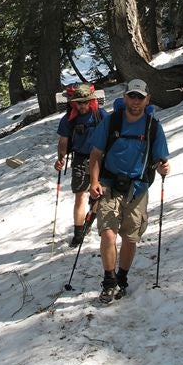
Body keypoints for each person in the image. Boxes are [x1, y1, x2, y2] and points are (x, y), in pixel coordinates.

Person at [89, 79, 170, 304]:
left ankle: (121, 279)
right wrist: (94, 181)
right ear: (125, 97)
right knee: (108, 233)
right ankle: (109, 282)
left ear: (147, 100)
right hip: (109, 184)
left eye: (140, 97)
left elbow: (161, 159)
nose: (135, 101)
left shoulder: (153, 127)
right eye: (132, 96)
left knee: (130, 237)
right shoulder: (111, 122)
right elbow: (95, 154)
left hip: (138, 188)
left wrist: (164, 168)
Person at [55, 84, 106, 247]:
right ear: (74, 103)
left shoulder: (100, 115)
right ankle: (79, 233)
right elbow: (63, 141)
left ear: (91, 101)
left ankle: (87, 224)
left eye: (85, 102)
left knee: (98, 195)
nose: (82, 106)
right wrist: (60, 158)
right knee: (80, 196)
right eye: (79, 103)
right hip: (80, 158)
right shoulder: (69, 119)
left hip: (100, 158)